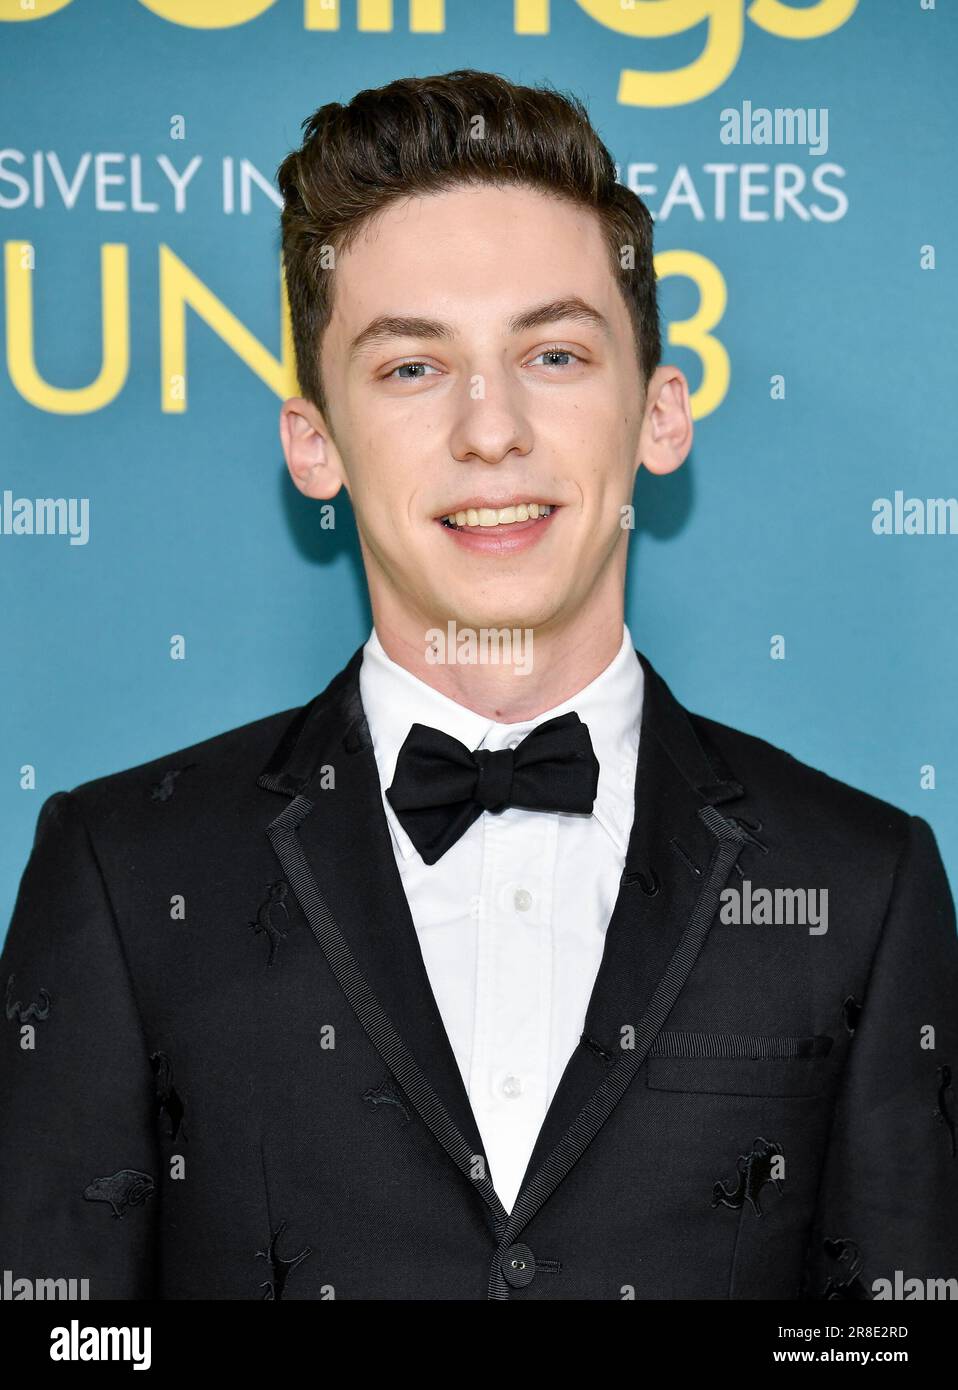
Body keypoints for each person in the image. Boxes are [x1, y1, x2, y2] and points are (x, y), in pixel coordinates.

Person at [1, 70, 955, 1302]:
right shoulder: (124, 874)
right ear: (316, 444)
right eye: (410, 368)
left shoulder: (859, 884)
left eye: (553, 352)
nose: (488, 427)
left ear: (658, 415)